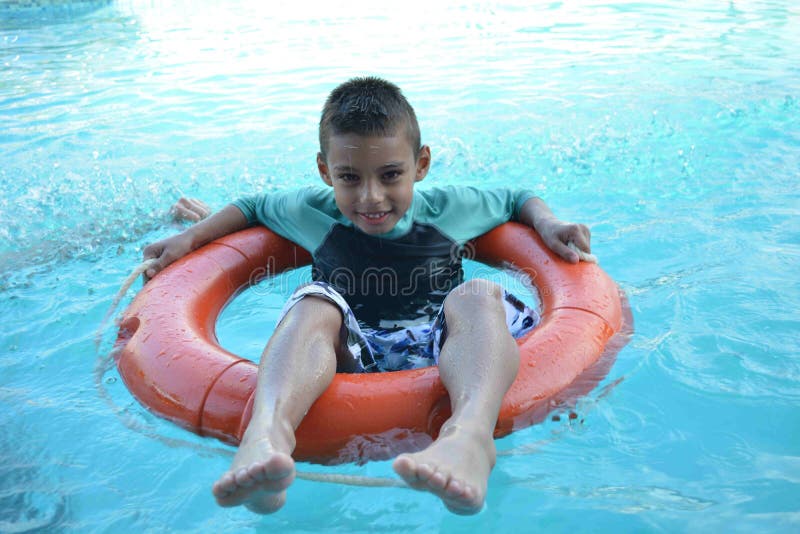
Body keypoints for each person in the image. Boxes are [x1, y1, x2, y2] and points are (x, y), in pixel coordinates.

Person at [142, 77, 592, 515]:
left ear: (422, 164)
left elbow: (516, 198)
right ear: (324, 171)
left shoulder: (449, 209)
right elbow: (254, 205)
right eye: (349, 178)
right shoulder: (311, 211)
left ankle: (469, 437)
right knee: (314, 299)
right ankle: (266, 437)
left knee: (478, 293)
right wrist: (191, 238)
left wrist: (549, 224)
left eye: (391, 175)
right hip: (354, 353)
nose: (370, 197)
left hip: (447, 346)